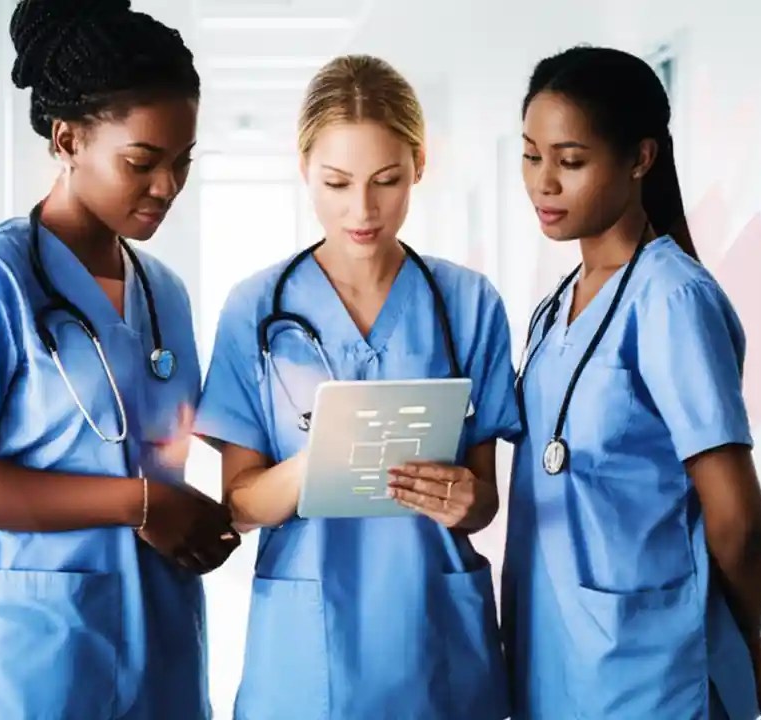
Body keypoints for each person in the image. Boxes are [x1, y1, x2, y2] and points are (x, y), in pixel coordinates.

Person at [0, 1, 239, 717]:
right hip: (37, 658)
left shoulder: (166, 293)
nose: (167, 188)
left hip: (161, 648)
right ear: (66, 138)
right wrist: (140, 504)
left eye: (181, 163)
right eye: (141, 163)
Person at [193, 54, 520, 720]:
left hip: (436, 638)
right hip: (307, 650)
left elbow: (483, 501)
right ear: (304, 165)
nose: (362, 210)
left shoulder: (468, 303)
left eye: (387, 180)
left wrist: (466, 502)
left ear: (420, 165)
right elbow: (240, 505)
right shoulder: (256, 307)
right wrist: (323, 464)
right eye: (337, 182)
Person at [501, 45, 761, 719]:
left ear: (641, 159)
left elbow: (738, 520)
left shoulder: (671, 300)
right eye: (530, 155)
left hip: (650, 678)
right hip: (558, 665)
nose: (543, 182)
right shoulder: (555, 310)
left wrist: (743, 642)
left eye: (571, 160)